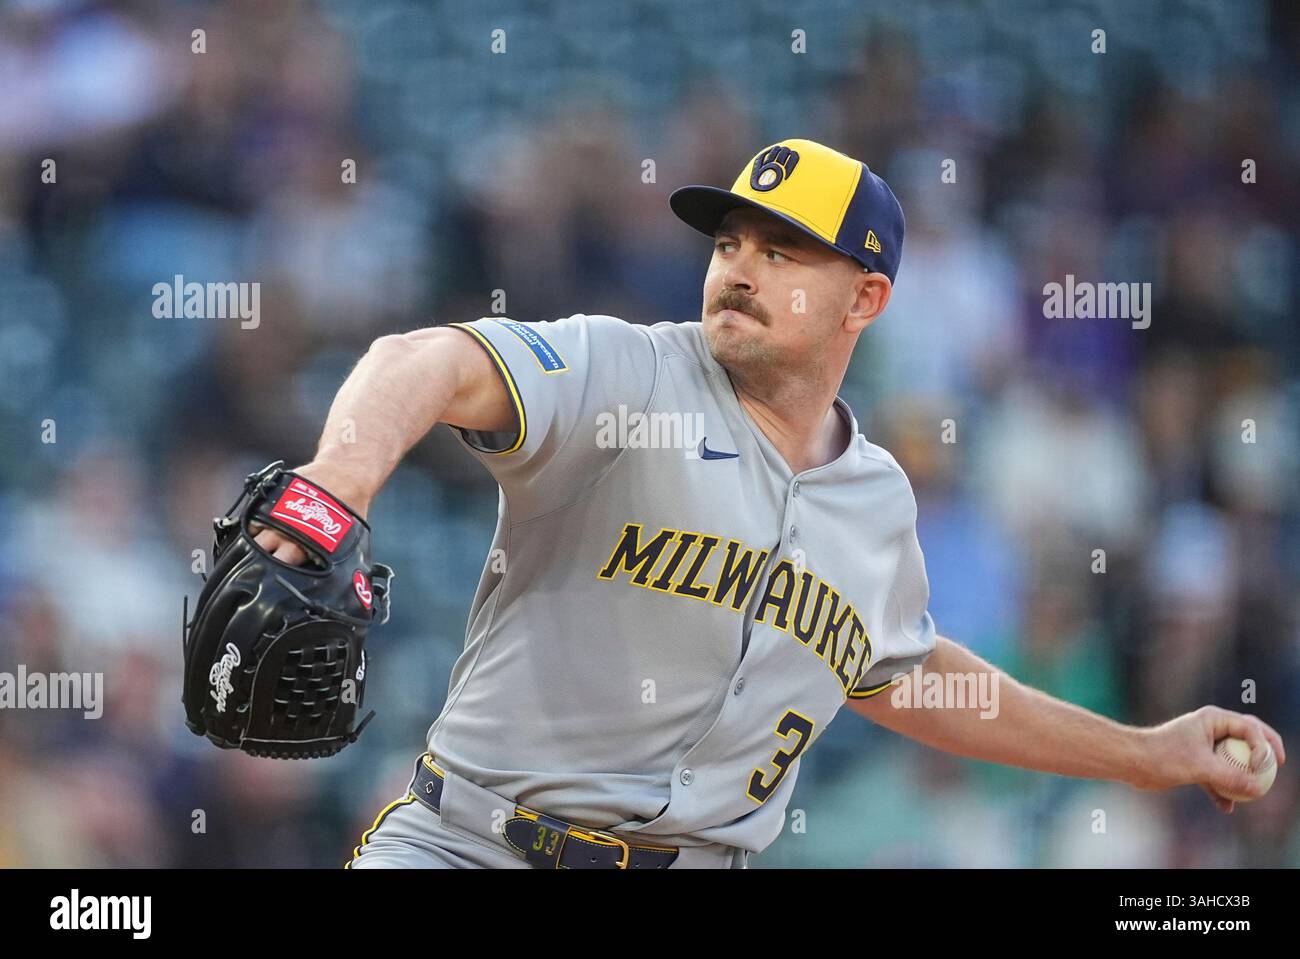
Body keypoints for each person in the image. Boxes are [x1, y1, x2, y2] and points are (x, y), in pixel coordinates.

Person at [253, 139, 1285, 869]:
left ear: (866, 298)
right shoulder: (627, 374)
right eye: (729, 242)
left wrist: (1143, 753)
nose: (739, 269)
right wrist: (338, 479)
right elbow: (421, 357)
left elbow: (907, 673)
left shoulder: (875, 496)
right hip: (470, 845)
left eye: (781, 251)